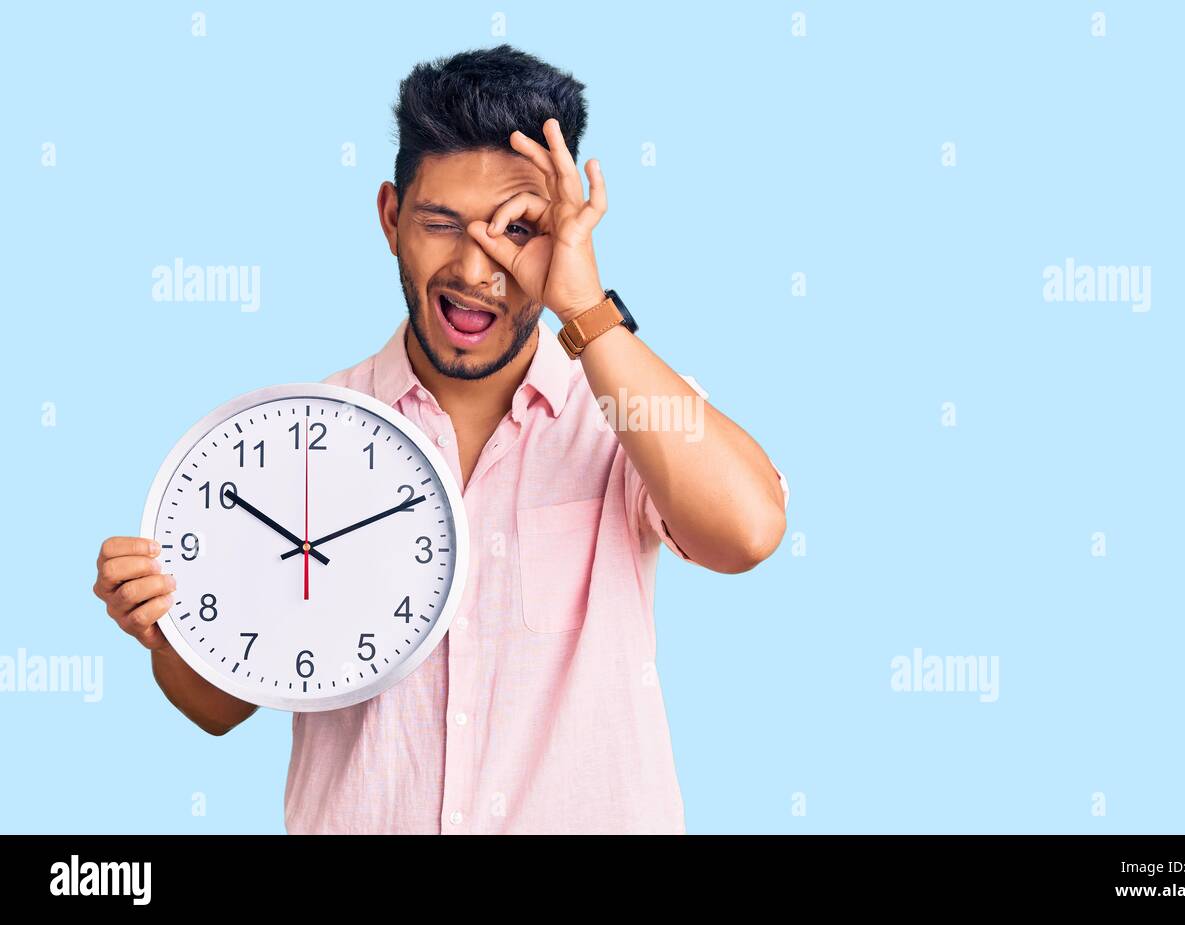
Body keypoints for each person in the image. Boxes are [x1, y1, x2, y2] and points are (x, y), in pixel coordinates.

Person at [92, 44, 788, 834]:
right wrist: (168, 631)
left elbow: (748, 532)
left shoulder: (623, 412)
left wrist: (584, 305)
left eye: (518, 230)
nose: (476, 267)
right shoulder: (296, 437)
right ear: (391, 218)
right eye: (440, 223)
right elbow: (219, 706)